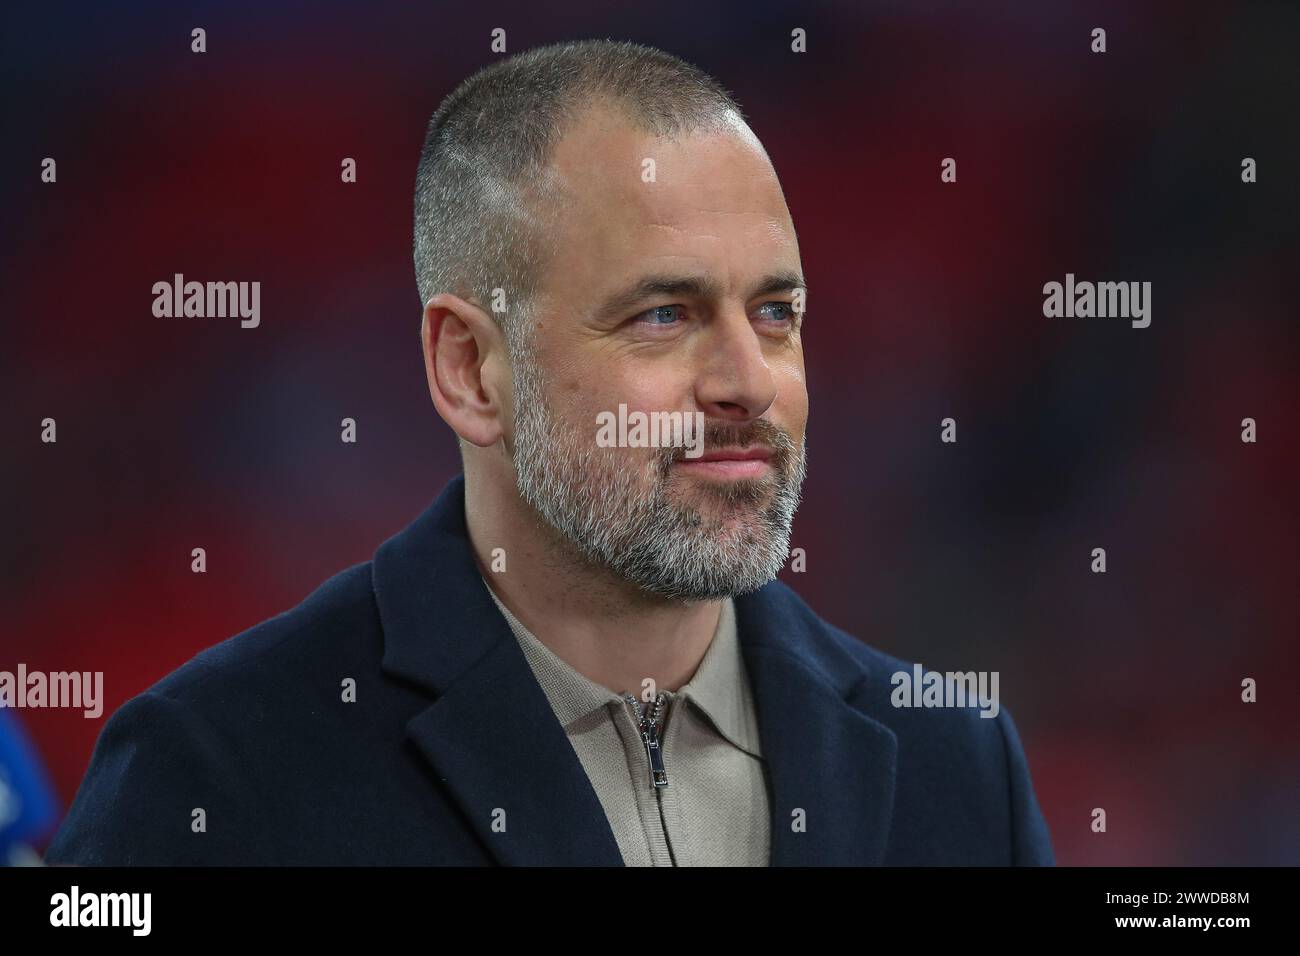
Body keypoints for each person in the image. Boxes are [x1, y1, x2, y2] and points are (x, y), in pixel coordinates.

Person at [44, 39, 1054, 866]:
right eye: (665, 314)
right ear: (472, 371)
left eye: (776, 312)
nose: (749, 379)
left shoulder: (954, 759)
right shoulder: (219, 770)